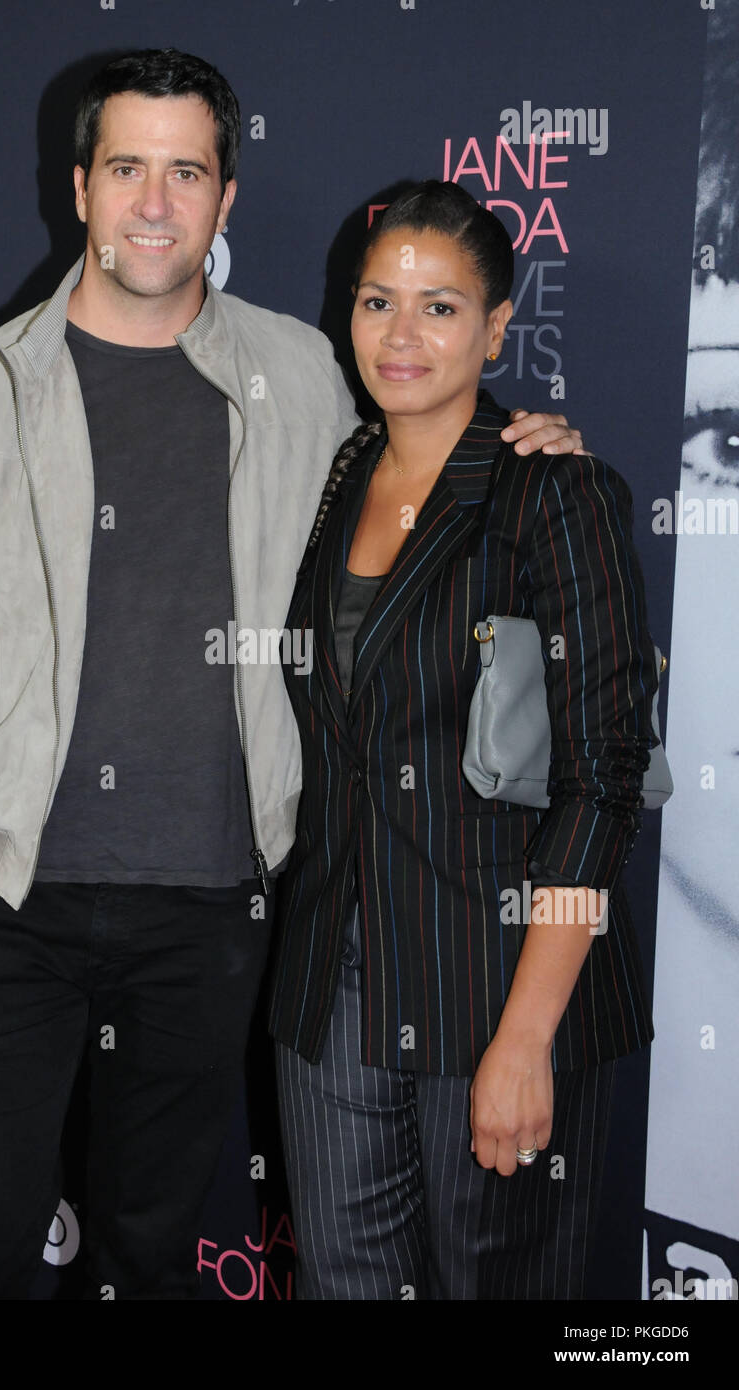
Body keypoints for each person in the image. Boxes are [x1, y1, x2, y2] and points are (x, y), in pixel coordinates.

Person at [0, 50, 583, 1301]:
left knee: (151, 1249)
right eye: (129, 169)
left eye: (186, 172)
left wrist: (522, 439)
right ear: (79, 186)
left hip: (218, 910)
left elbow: (420, 457)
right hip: (7, 906)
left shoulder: (302, 375)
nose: (156, 203)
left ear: (227, 196)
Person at [269, 180, 658, 1300]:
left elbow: (601, 786)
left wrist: (528, 1035)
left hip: (493, 983)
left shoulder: (552, 490)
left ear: (495, 329)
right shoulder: (340, 473)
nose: (401, 335)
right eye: (377, 301)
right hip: (331, 982)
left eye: (440, 309)